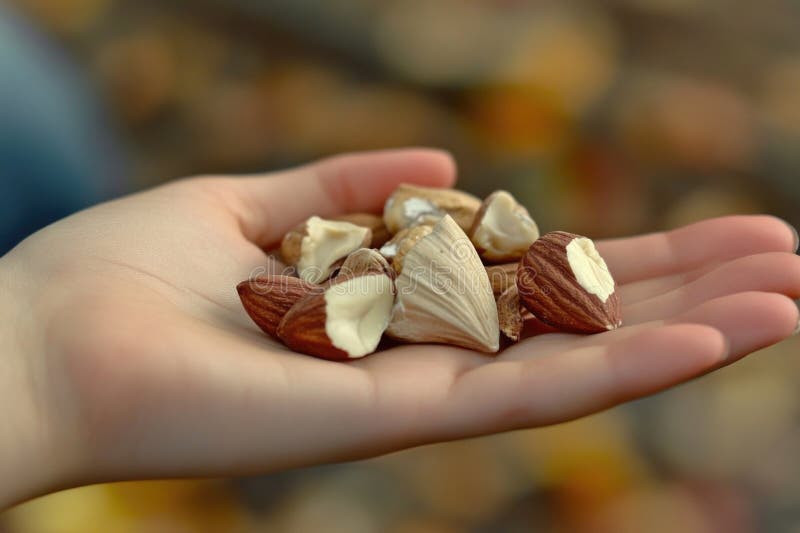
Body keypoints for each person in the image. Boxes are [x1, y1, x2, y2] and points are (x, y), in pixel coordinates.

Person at [0, 148, 798, 508]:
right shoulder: (371, 268)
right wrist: (36, 348)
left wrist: (38, 345)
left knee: (52, 150)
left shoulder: (474, 258)